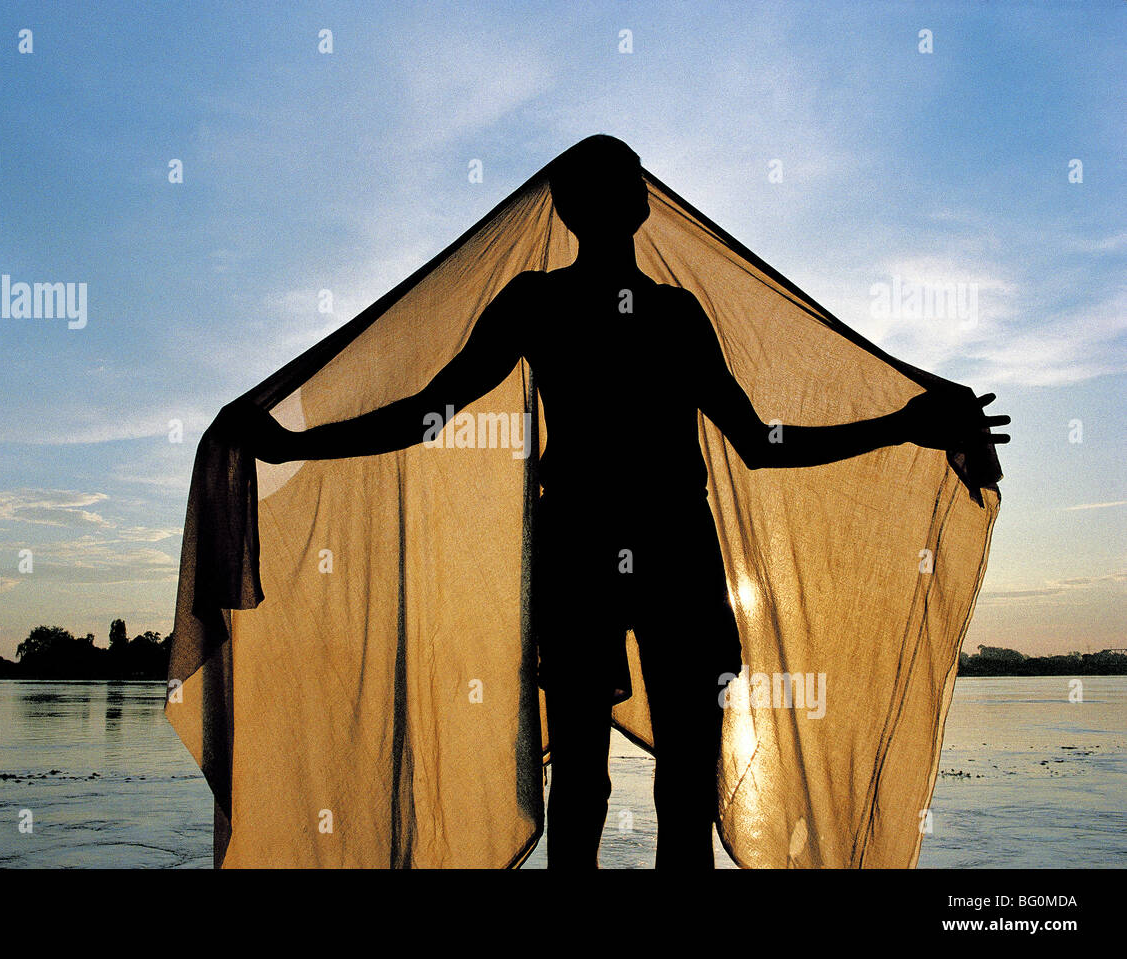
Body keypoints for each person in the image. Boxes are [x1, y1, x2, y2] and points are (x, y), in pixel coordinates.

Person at [231, 135, 1010, 868]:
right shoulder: (575, 307)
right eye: (624, 183)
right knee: (618, 778)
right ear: (617, 206)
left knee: (636, 779)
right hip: (626, 545)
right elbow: (759, 444)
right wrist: (295, 444)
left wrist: (903, 423)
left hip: (632, 545)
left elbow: (754, 442)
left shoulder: (631, 312)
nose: (635, 194)